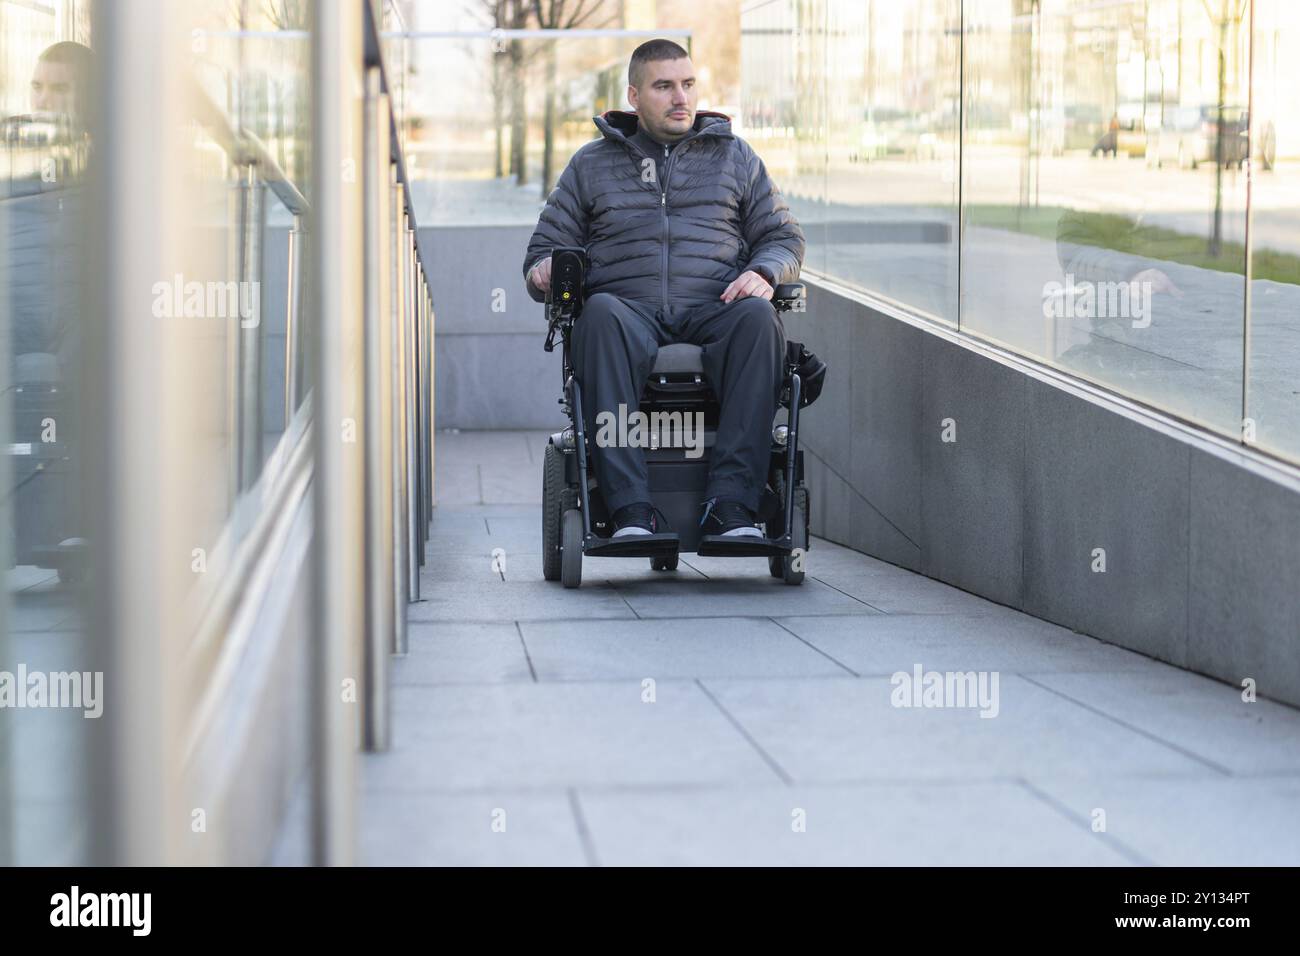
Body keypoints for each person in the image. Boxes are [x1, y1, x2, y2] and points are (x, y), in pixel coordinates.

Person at [522, 39, 804, 540]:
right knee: (600, 315)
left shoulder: (735, 158)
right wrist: (545, 269)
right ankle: (631, 510)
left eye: (688, 84)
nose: (681, 98)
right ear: (634, 95)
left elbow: (783, 236)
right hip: (628, 310)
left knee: (760, 319)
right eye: (664, 86)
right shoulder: (591, 165)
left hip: (716, 305)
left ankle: (731, 506)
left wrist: (764, 272)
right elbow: (544, 249)